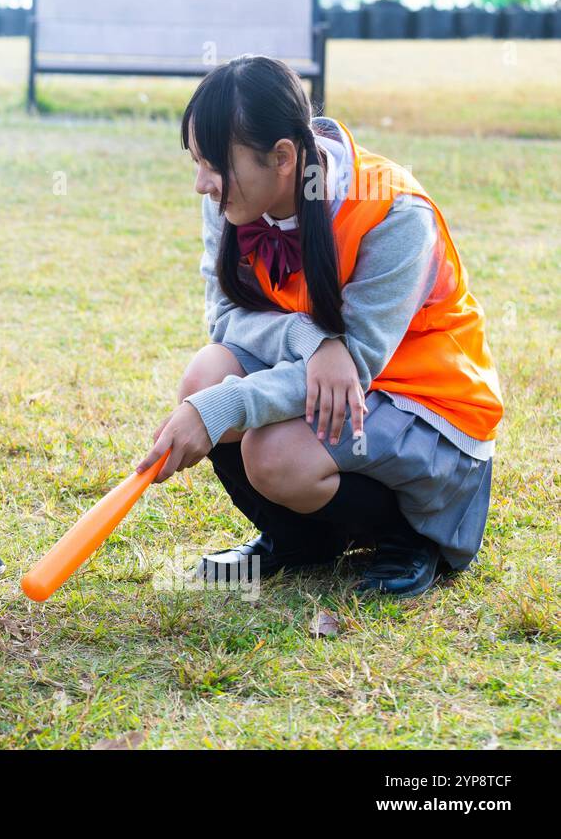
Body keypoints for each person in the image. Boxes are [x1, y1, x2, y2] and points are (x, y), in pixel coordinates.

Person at [138, 56, 502, 598]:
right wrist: (314, 342)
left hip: (423, 405)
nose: (200, 184)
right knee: (204, 377)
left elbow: (357, 366)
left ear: (283, 157)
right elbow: (226, 320)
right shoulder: (232, 200)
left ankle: (409, 539)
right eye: (196, 161)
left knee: (272, 451)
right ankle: (298, 540)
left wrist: (221, 409)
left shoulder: (395, 211)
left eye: (213, 163)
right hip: (335, 380)